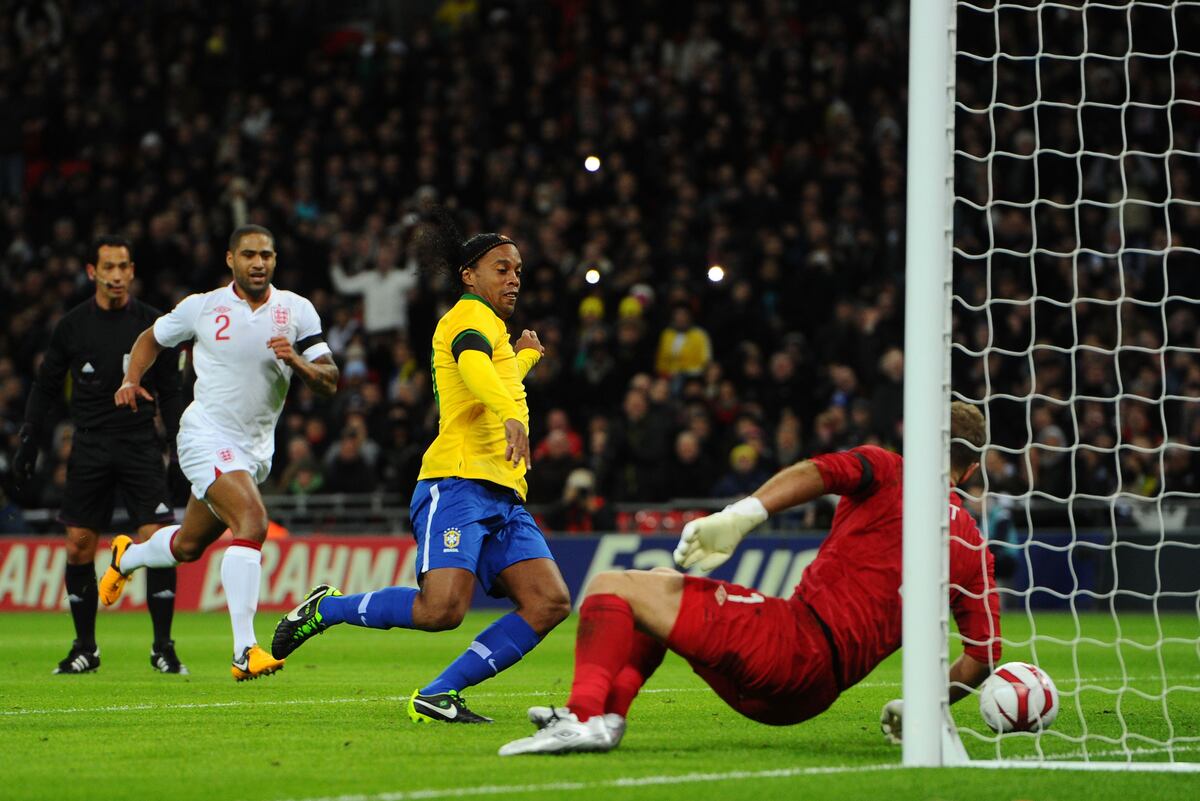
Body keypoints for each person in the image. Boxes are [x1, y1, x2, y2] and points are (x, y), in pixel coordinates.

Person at [498, 402, 1000, 754]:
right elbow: (984, 654)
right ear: (972, 469)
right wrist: (921, 704)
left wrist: (743, 514)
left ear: (918, 436)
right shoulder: (974, 549)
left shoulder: (890, 470)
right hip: (810, 697)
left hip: (791, 645)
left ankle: (581, 717)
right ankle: (608, 717)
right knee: (651, 588)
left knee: (611, 586)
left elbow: (818, 470)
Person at [272, 210, 570, 724]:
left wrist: (523, 360)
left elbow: (489, 378)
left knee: (548, 601)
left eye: (518, 270)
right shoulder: (466, 318)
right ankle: (326, 609)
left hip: (503, 490)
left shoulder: (494, 330)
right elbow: (475, 370)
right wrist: (508, 415)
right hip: (457, 481)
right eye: (501, 268)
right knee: (440, 611)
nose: (514, 278)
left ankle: (439, 693)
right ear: (469, 276)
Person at [98, 225, 338, 681]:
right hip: (204, 435)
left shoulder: (297, 311)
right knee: (253, 522)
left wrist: (298, 362)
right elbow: (151, 338)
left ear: (275, 260)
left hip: (253, 451)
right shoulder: (202, 307)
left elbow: (329, 380)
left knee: (188, 546)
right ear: (230, 259)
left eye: (266, 254)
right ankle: (244, 650)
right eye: (248, 254)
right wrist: (131, 379)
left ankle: (125, 557)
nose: (258, 262)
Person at [12, 235, 187, 675]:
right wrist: (29, 439)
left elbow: (171, 390)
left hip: (139, 443)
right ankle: (85, 648)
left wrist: (179, 447)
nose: (116, 276)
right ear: (92, 271)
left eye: (124, 266)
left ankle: (163, 647)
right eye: (107, 267)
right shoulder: (72, 326)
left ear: (132, 271)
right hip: (89, 444)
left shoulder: (153, 324)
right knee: (78, 546)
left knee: (158, 542)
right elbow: (46, 387)